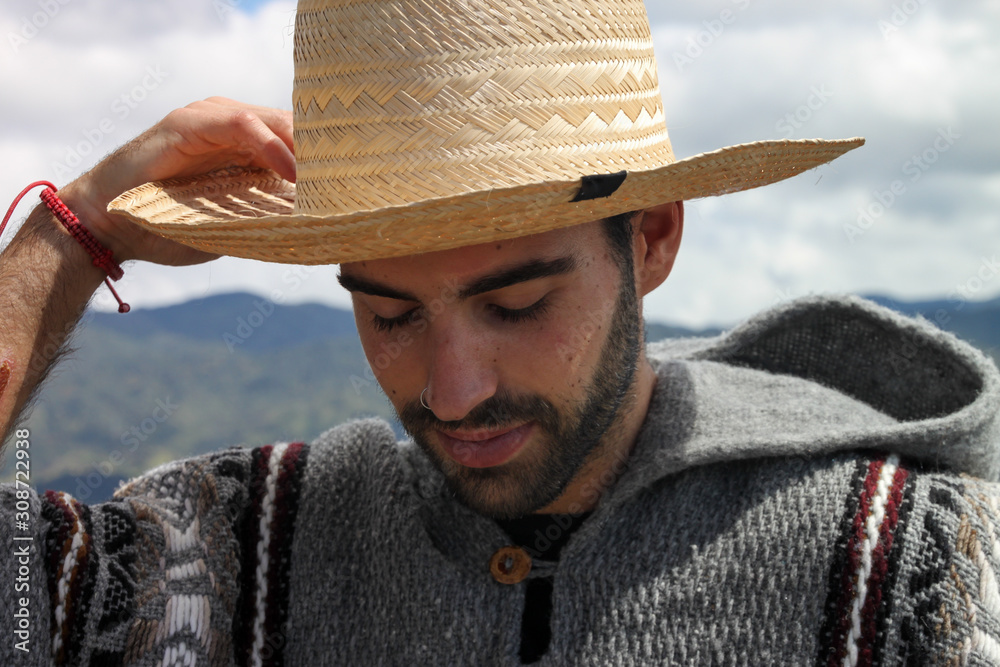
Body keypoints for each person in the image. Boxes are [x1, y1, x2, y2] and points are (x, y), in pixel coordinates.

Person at [2, 0, 999, 665]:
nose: (454, 389)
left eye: (517, 305)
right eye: (390, 313)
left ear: (652, 239)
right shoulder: (236, 555)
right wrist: (69, 235)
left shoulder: (905, 568)